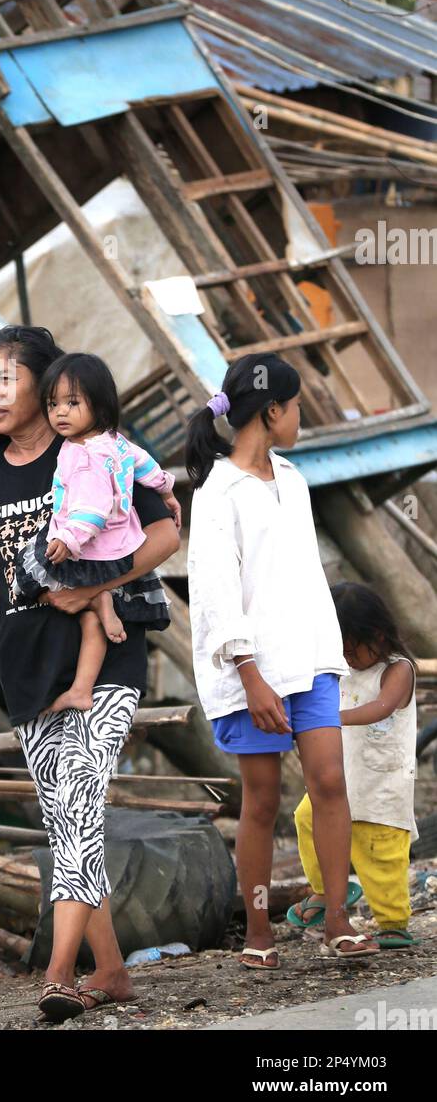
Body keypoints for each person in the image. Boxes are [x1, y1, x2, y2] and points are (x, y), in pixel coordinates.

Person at [0, 326, 181, 1020]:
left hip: (105, 656)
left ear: (45, 381)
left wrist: (98, 585)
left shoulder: (91, 447)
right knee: (65, 820)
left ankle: (59, 972)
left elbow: (164, 531)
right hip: (25, 665)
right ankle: (113, 971)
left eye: (4, 378)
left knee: (82, 800)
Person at [187, 353, 377, 965]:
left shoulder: (292, 479)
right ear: (272, 411)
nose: (299, 418)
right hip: (254, 673)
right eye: (294, 408)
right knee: (262, 800)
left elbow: (302, 575)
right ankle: (259, 932)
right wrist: (249, 674)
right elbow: (217, 590)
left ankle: (338, 919)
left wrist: (329, 649)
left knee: (329, 781)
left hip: (309, 659)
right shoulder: (217, 493)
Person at [11, 352, 178, 713]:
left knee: (26, 578)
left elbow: (92, 508)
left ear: (99, 404)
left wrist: (69, 539)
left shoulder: (82, 456)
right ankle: (84, 681)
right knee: (90, 621)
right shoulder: (117, 442)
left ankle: (96, 603)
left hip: (89, 546)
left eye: (72, 403)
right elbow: (146, 466)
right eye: (53, 404)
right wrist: (166, 490)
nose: (60, 413)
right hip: (120, 545)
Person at [289, 582, 418, 949]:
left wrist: (329, 718)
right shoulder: (336, 671)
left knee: (381, 850)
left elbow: (381, 707)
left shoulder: (398, 670)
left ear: (377, 635)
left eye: (352, 649)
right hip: (341, 777)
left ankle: (393, 922)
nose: (347, 659)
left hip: (382, 781)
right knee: (306, 818)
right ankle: (327, 890)